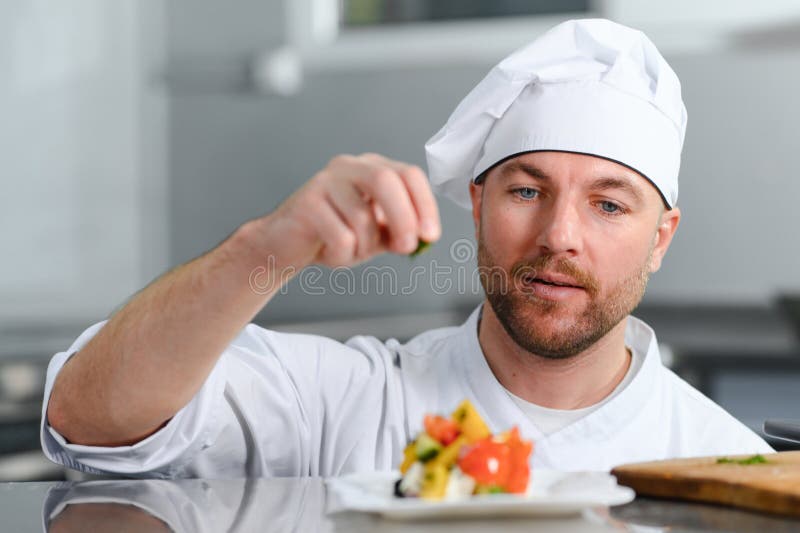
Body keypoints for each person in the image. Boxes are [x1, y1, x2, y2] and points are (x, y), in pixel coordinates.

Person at [41, 19, 772, 478]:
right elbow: (88, 420)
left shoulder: (723, 462)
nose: (559, 236)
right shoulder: (351, 401)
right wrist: (265, 247)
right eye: (526, 190)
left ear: (660, 239)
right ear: (478, 203)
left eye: (609, 204)